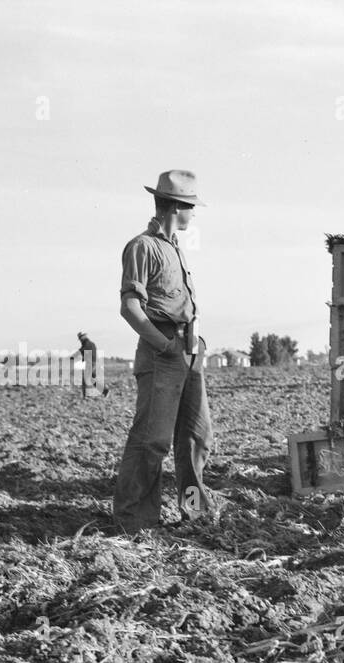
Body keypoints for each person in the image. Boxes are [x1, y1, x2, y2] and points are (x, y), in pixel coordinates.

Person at [113, 170, 219, 532]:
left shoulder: (173, 246)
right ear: (177, 207)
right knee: (152, 440)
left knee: (195, 437)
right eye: (192, 207)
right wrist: (165, 346)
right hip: (164, 352)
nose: (195, 214)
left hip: (188, 351)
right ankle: (136, 521)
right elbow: (131, 308)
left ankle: (195, 512)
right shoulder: (142, 247)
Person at [71, 331, 105, 397]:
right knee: (92, 380)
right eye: (80, 338)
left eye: (81, 338)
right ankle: (104, 391)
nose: (80, 340)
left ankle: (85, 396)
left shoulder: (87, 344)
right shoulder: (90, 343)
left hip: (91, 364)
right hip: (93, 363)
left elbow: (81, 350)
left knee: (85, 380)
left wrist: (72, 357)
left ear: (84, 337)